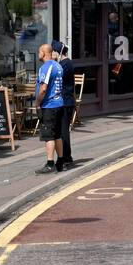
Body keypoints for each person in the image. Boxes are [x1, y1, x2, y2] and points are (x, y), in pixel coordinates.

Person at [33, 42, 65, 174]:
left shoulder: (45, 67)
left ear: (44, 53)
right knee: (57, 134)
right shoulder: (58, 66)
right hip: (59, 104)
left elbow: (43, 89)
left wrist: (37, 103)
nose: (38, 54)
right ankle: (60, 161)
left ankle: (50, 163)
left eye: (39, 51)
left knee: (48, 136)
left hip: (49, 106)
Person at [53, 41, 76, 169]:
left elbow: (57, 77)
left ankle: (67, 158)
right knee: (60, 131)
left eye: (53, 52)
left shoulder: (65, 64)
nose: (52, 54)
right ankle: (63, 158)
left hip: (66, 102)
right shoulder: (62, 63)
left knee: (63, 131)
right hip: (63, 101)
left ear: (59, 52)